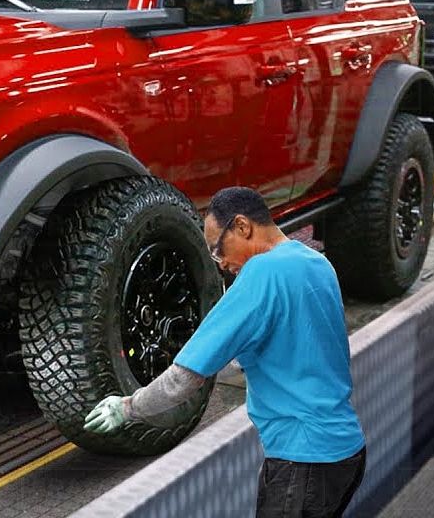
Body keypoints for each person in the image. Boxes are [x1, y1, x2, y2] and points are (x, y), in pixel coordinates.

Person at [84, 186, 366, 518]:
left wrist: (128, 408)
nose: (221, 263)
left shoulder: (261, 273)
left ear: (242, 226)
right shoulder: (316, 263)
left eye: (218, 249)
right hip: (345, 451)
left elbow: (184, 379)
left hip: (303, 457)